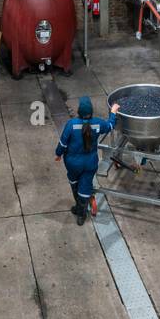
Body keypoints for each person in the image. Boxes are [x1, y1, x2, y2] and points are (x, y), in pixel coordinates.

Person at [55, 96, 119, 226]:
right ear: (91, 111)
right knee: (85, 186)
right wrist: (113, 112)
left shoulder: (71, 125)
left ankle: (78, 206)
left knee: (74, 182)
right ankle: (81, 214)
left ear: (79, 111)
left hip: (73, 163)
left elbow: (63, 143)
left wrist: (58, 154)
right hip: (90, 163)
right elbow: (111, 125)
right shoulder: (98, 123)